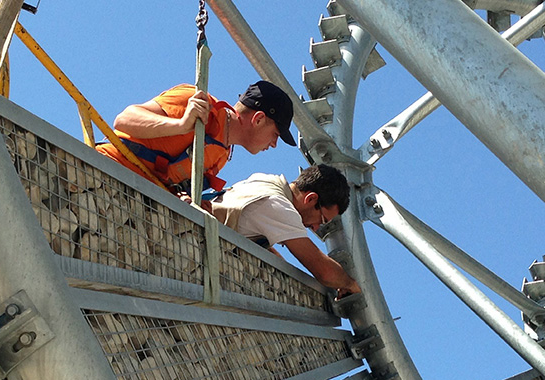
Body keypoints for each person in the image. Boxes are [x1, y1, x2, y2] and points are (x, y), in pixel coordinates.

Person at [96, 80, 297, 196]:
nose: (273, 144)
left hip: (134, 194)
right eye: (276, 134)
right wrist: (181, 124)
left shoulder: (221, 155)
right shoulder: (199, 104)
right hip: (103, 172)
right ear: (259, 119)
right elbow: (124, 120)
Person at [209, 165, 362, 296]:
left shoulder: (265, 181)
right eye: (322, 220)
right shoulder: (278, 206)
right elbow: (325, 272)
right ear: (311, 199)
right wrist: (350, 284)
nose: (315, 228)